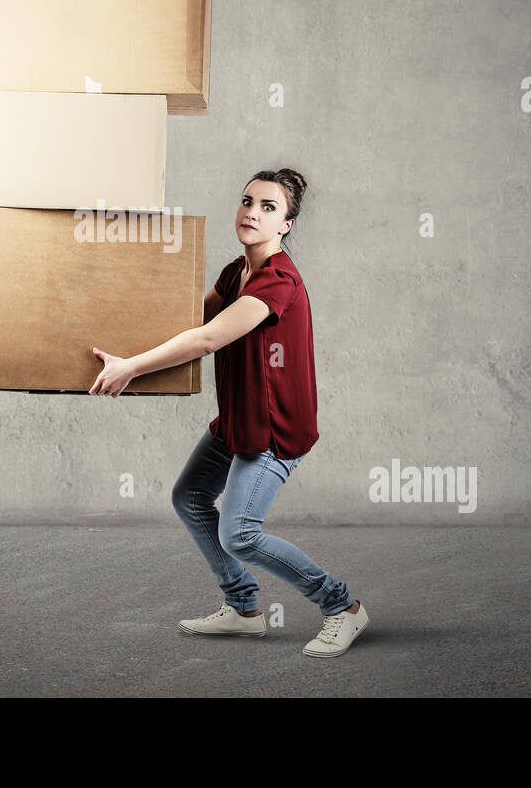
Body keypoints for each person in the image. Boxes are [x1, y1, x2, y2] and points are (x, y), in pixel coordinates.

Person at [89, 168, 368, 658]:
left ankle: (342, 607)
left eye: (268, 207)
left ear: (287, 224)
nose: (251, 213)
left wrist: (131, 367)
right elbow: (191, 318)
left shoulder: (277, 282)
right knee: (190, 496)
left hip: (275, 428)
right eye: (246, 201)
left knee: (238, 533)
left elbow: (208, 338)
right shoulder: (235, 273)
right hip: (240, 418)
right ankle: (243, 610)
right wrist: (117, 315)